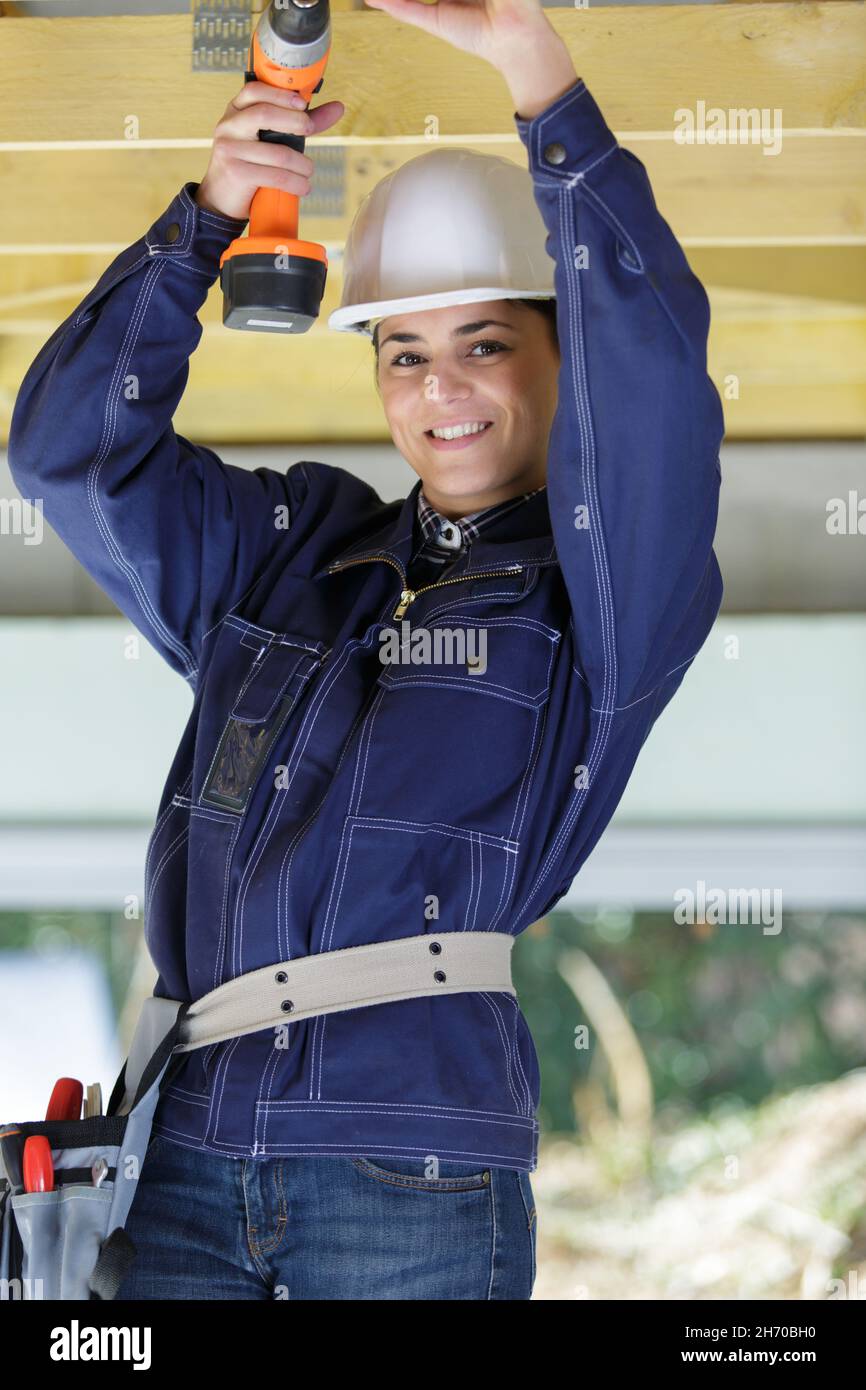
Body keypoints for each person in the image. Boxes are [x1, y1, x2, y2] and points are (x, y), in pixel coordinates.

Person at [6, 0, 723, 1300]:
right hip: (186, 1144)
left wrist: (536, 75)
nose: (439, 389)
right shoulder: (298, 552)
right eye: (404, 351)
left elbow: (658, 391)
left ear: (561, 357)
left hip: (409, 1158)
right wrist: (205, 218)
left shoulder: (599, 590)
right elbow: (68, 455)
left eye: (485, 344)